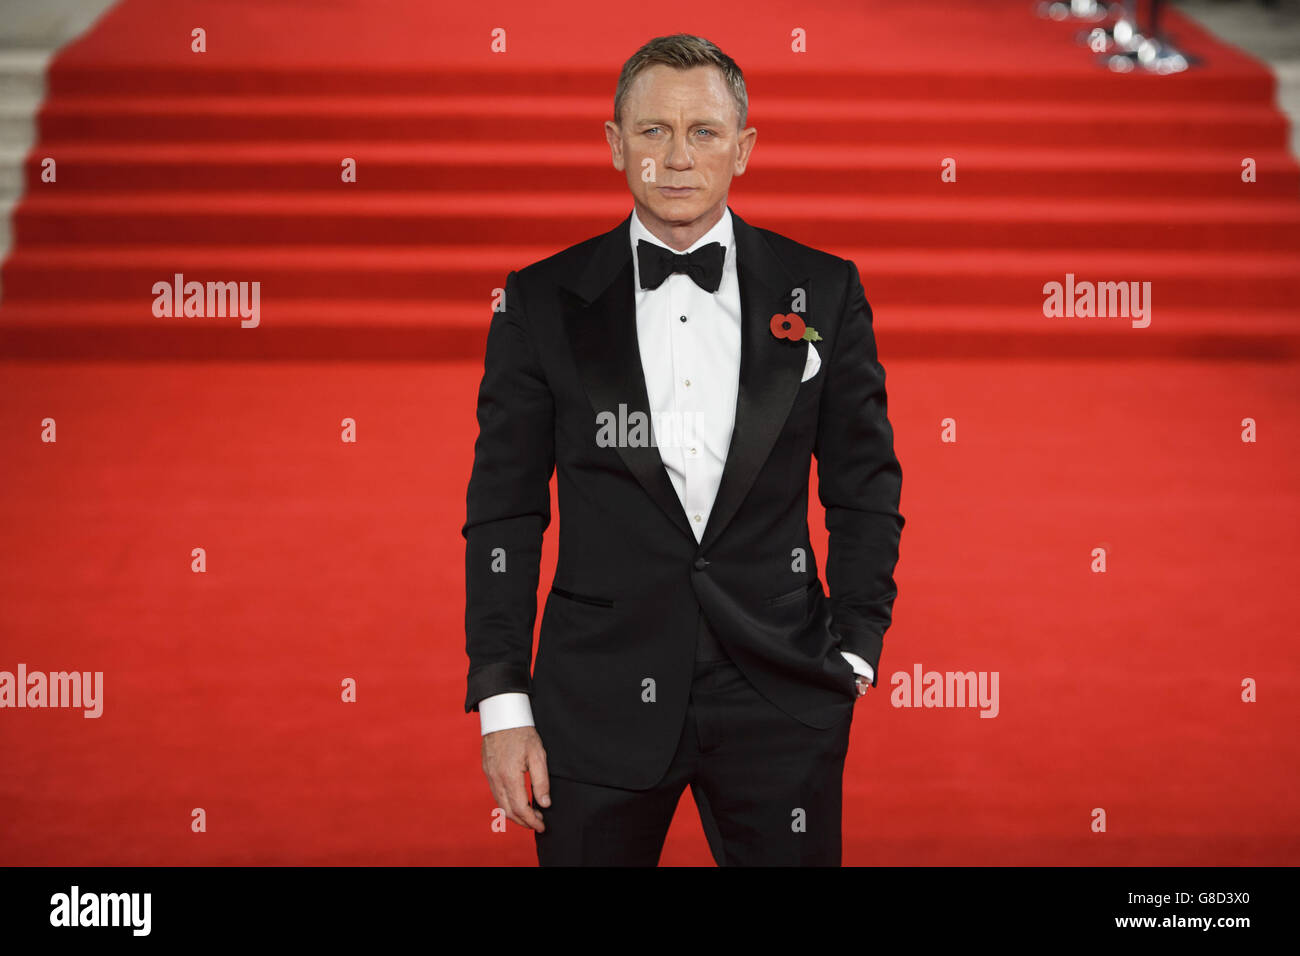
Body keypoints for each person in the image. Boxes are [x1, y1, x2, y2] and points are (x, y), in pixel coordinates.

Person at [461, 33, 904, 866]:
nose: (675, 156)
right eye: (652, 130)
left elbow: (865, 484)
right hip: (592, 700)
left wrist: (856, 645)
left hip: (780, 687)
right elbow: (504, 513)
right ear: (614, 143)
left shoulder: (826, 289)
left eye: (702, 131)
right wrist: (502, 702)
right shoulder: (540, 299)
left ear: (744, 148)